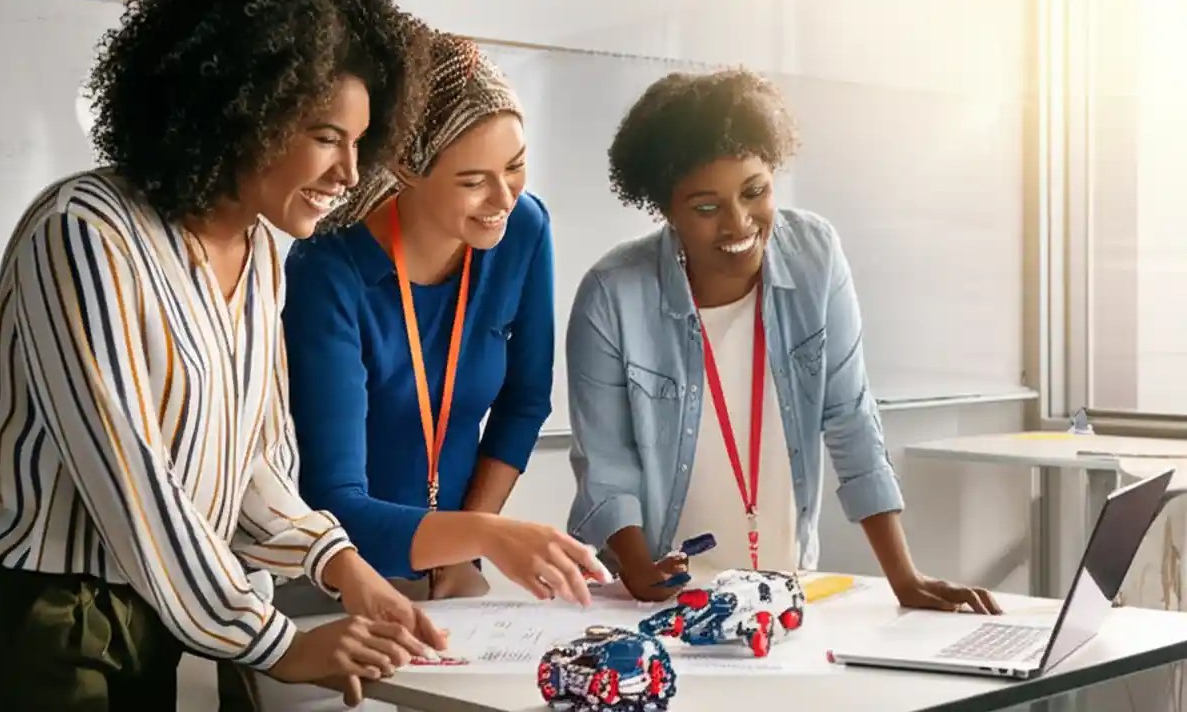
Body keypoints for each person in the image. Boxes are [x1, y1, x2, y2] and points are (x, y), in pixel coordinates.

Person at [0, 0, 444, 709]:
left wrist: (341, 565)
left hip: (155, 599)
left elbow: (253, 461)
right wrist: (282, 647)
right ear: (242, 113)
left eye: (361, 142)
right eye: (327, 136)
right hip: (36, 612)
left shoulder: (263, 252)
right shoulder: (83, 233)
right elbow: (133, 481)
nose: (350, 174)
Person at [564, 68, 1004, 615]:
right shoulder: (613, 294)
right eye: (706, 207)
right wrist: (639, 572)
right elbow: (606, 463)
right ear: (665, 207)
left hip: (783, 592)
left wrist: (904, 577)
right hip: (654, 601)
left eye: (755, 191)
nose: (738, 222)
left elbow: (849, 418)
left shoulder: (815, 255)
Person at [282, 30, 602, 608]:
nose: (503, 197)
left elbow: (525, 401)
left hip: (454, 573)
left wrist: (465, 545)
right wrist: (482, 536)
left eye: (516, 166)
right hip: (333, 581)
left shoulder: (522, 230)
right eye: (473, 181)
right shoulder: (329, 269)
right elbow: (334, 498)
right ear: (406, 168)